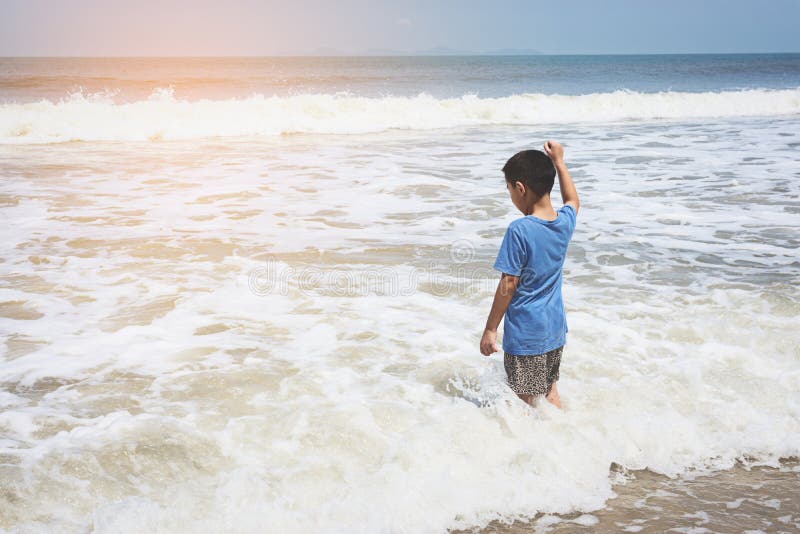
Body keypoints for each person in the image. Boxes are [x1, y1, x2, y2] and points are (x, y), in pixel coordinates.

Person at [479, 140, 579, 409]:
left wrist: (490, 329)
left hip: (527, 335)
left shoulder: (519, 230)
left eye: (510, 189)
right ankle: (568, 438)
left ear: (520, 188)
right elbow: (572, 200)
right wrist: (559, 161)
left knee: (523, 404)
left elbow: (508, 284)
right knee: (549, 394)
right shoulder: (564, 222)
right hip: (555, 331)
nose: (511, 195)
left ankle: (532, 448)